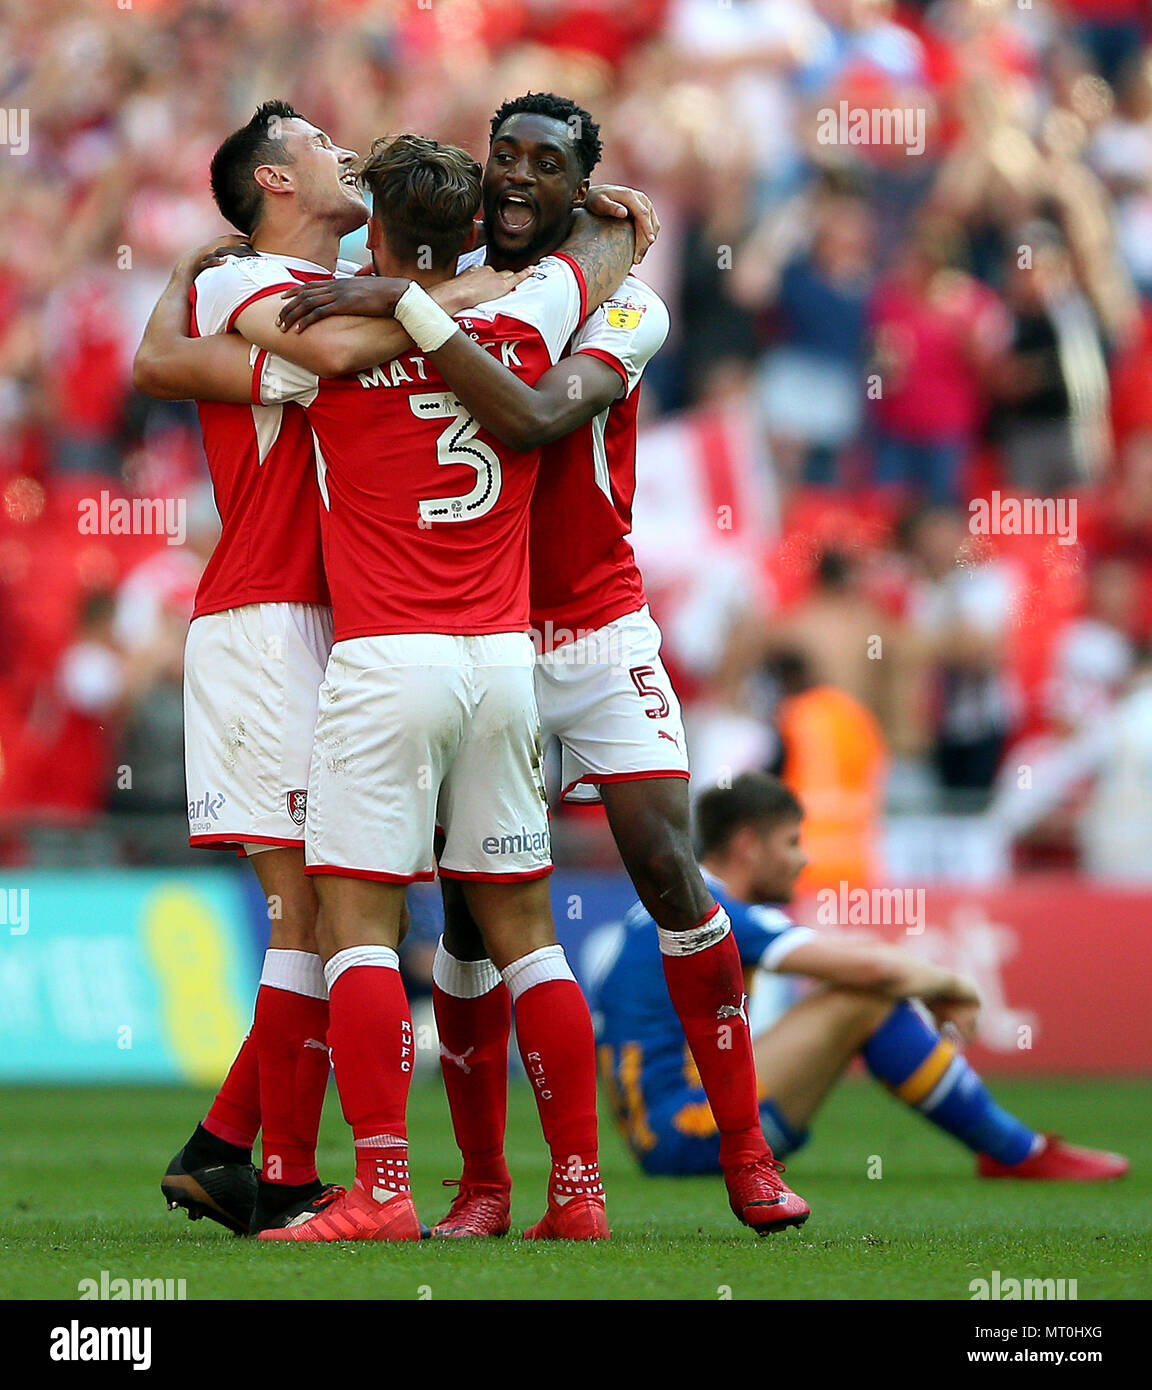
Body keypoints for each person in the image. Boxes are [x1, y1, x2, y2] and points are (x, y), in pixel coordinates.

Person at [278, 91, 811, 1237]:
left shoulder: (625, 306)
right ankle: (488, 1185)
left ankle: (748, 1153)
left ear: (582, 187)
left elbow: (539, 411)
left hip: (598, 622)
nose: (518, 177)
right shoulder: (473, 279)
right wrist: (423, 294)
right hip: (490, 635)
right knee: (476, 919)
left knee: (668, 865)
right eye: (503, 157)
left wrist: (414, 302)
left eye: (547, 164)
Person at [133, 101, 527, 1238]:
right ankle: (282, 1165)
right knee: (310, 905)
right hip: (266, 622)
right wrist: (494, 294)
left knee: (335, 905)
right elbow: (345, 347)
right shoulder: (244, 283)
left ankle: (232, 1150)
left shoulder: (335, 275)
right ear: (273, 176)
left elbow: (178, 359)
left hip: (339, 623)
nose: (347, 152)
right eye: (318, 142)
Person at [591, 772, 1128, 1182]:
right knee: (862, 999)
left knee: (863, 997)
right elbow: (871, 967)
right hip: (686, 1134)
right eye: (792, 842)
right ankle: (1015, 1152)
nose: (804, 859)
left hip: (668, 1134)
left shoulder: (670, 904)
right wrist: (954, 986)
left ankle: (1012, 1150)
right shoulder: (716, 909)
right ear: (748, 845)